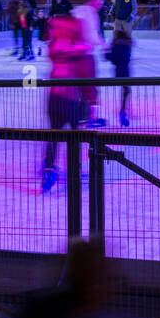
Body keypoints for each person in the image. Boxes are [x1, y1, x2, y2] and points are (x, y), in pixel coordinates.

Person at [42, 13, 90, 192]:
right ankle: (74, 171)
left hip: (53, 98)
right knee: (75, 136)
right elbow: (86, 77)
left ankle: (48, 168)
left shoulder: (54, 46)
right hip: (71, 99)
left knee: (54, 135)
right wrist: (91, 101)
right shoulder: (79, 48)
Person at [107, 25, 133, 126]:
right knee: (126, 91)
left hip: (118, 72)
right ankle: (123, 110)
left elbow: (113, 59)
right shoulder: (127, 45)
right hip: (126, 72)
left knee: (125, 90)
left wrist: (106, 52)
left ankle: (123, 110)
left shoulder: (116, 45)